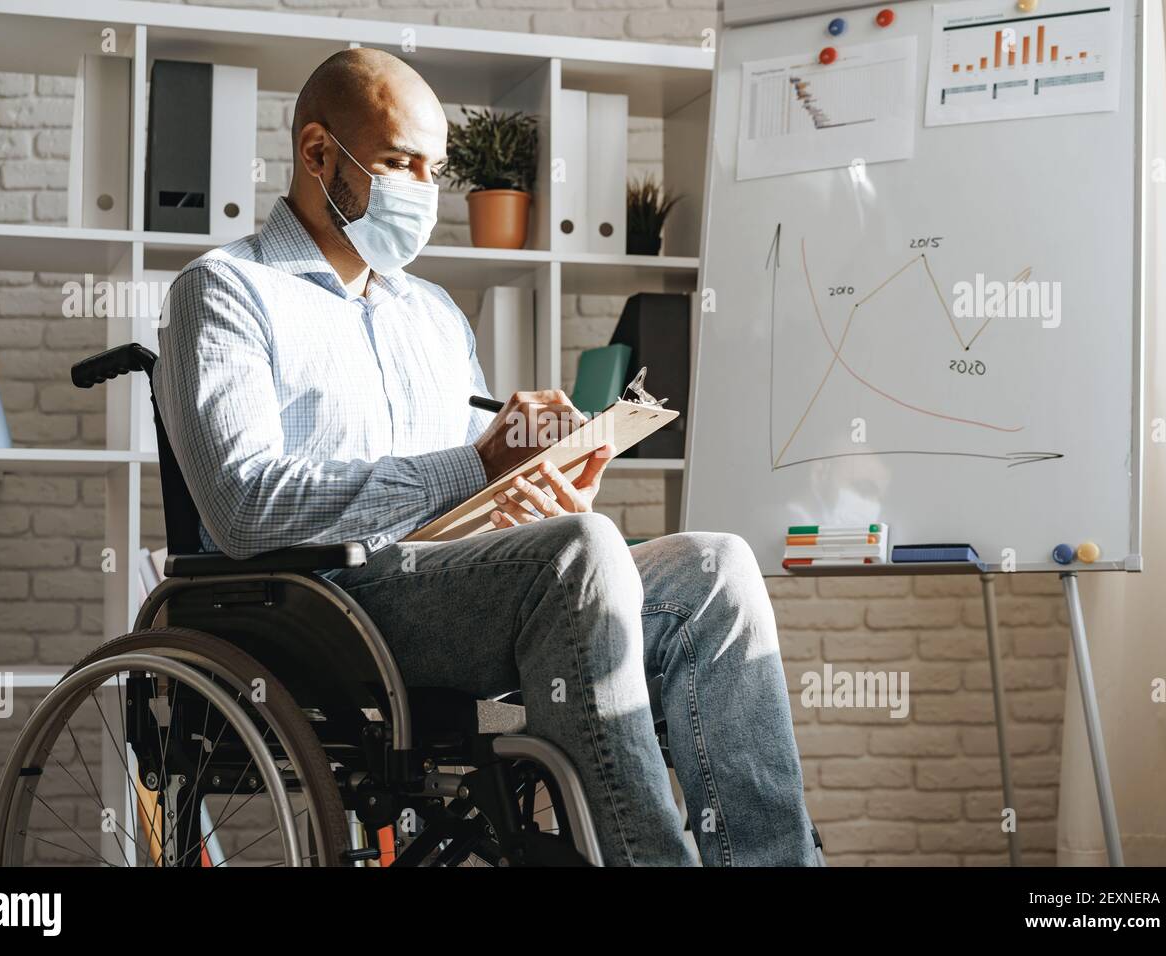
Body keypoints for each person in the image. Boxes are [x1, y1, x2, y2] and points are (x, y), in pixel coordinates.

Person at [153, 47, 816, 866]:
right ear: (318, 153)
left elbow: (471, 497)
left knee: (714, 567)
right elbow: (244, 509)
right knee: (579, 556)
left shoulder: (432, 314)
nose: (422, 192)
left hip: (452, 582)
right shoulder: (223, 290)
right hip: (324, 606)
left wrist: (538, 486)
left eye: (434, 169)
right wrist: (483, 469)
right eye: (398, 162)